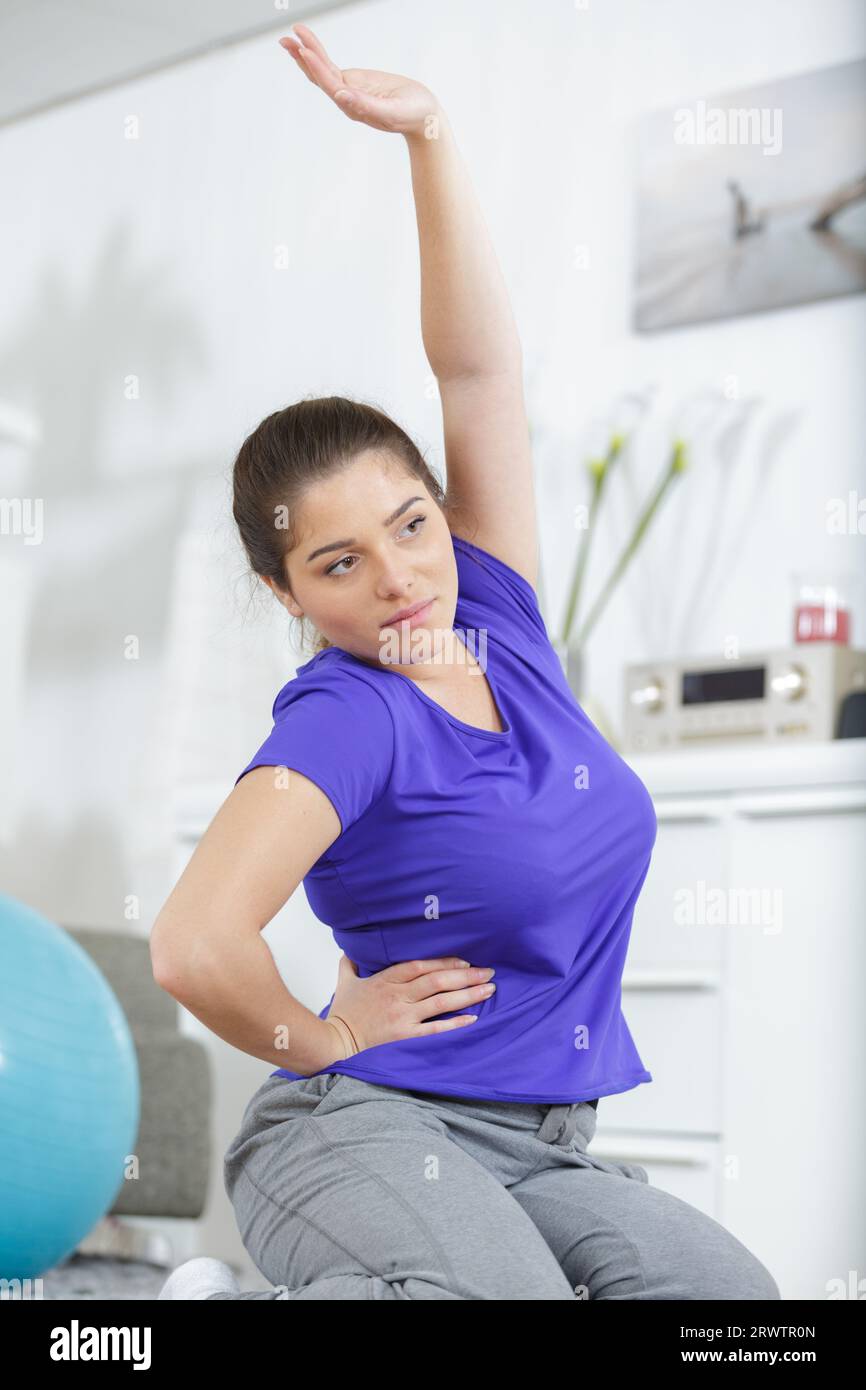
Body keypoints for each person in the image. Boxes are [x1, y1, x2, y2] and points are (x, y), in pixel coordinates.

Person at [154, 22, 781, 1301]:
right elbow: (193, 943)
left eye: (410, 523)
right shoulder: (347, 716)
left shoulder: (498, 615)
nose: (396, 579)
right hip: (363, 1132)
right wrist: (325, 1036)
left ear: (443, 512)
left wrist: (430, 137)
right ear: (284, 591)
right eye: (337, 564)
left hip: (548, 1148)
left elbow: (478, 369)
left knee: (735, 1316)